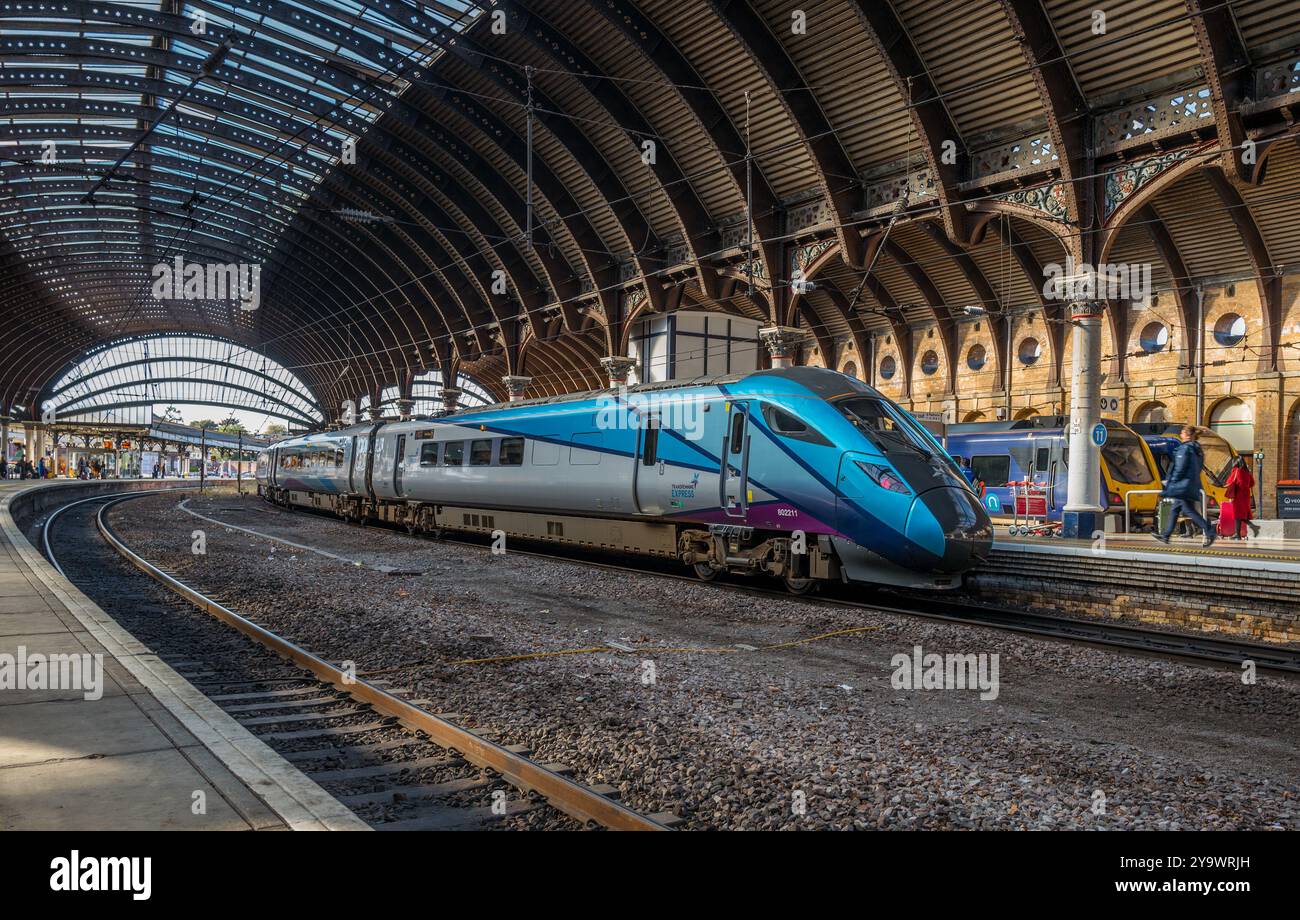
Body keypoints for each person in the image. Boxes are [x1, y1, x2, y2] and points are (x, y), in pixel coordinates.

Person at [1154, 426, 1215, 547]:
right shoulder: (1198, 450)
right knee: (1175, 510)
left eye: (1182, 432)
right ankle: (1166, 535)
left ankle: (1210, 531)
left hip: (1182, 485)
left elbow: (1179, 469)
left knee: (1189, 511)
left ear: (1187, 435)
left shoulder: (1185, 448)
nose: (1180, 434)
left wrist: (1171, 485)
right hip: (1191, 484)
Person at [1220, 456, 1257, 540]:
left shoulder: (1236, 470)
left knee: (1238, 515)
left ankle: (1238, 534)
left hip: (1238, 495)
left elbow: (1229, 481)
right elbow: (1252, 483)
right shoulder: (1247, 472)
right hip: (1246, 495)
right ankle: (1251, 529)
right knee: (1243, 514)